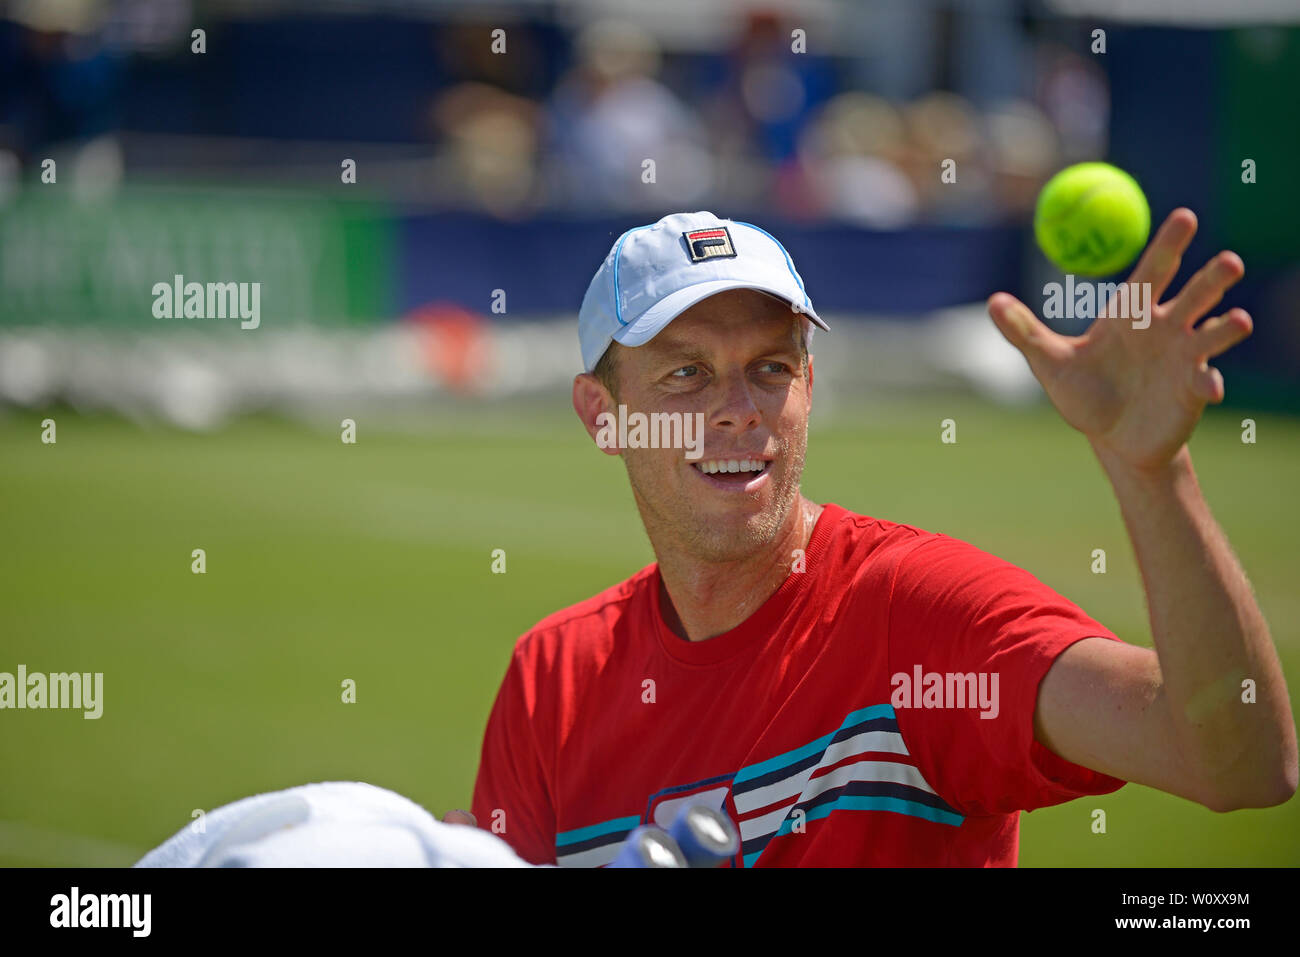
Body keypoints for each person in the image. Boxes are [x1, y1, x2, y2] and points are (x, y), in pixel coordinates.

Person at [470, 210, 1296, 867]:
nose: (738, 408)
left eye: (771, 367)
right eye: (685, 372)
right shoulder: (552, 679)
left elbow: (1239, 763)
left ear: (809, 386)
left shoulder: (918, 611)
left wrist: (1154, 474)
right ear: (600, 414)